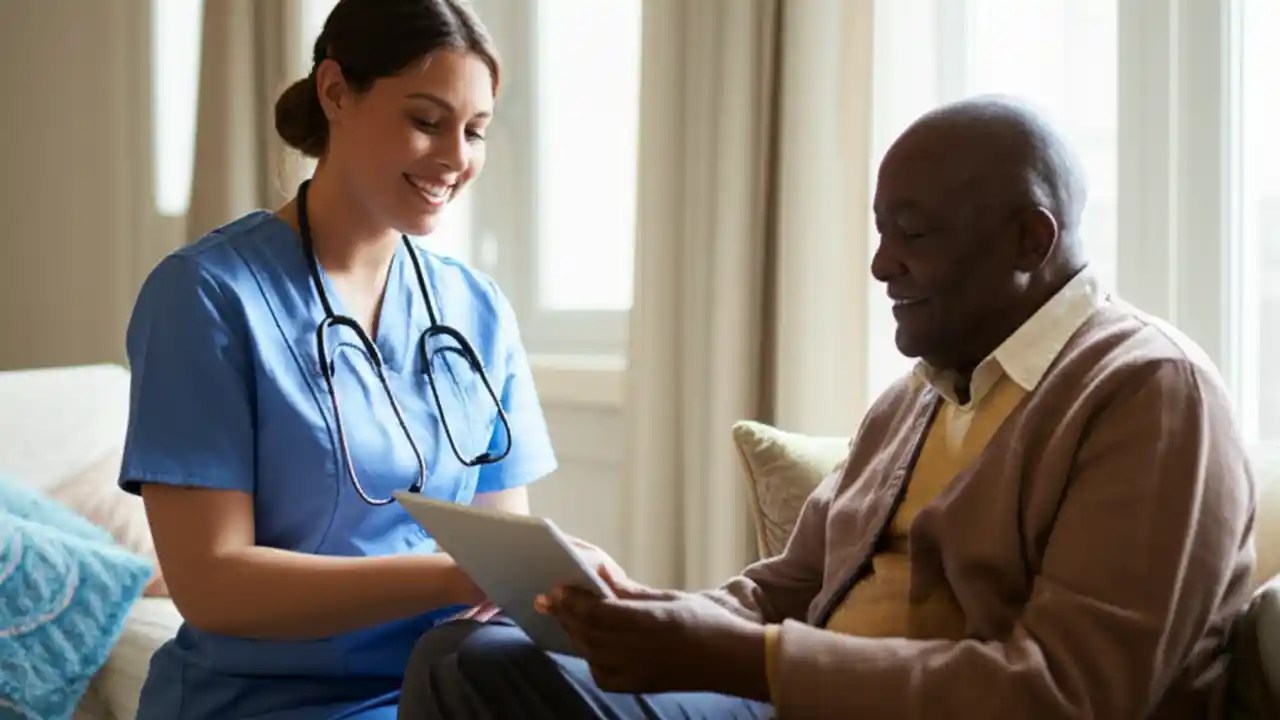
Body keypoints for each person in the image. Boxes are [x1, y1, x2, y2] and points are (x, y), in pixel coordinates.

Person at [398, 97, 1258, 719]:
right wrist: (658, 617)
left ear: (1030, 241)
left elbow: (1069, 694)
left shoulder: (1148, 394)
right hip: (790, 700)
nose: (882, 266)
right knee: (471, 657)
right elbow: (792, 584)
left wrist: (745, 659)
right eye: (880, 231)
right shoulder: (920, 395)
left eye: (912, 233)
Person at [117, 1, 598, 717]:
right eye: (427, 121)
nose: (457, 158)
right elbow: (211, 584)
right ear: (336, 91)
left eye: (475, 131)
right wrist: (447, 577)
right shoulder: (207, 296)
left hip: (441, 691)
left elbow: (499, 551)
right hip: (262, 701)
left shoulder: (476, 309)